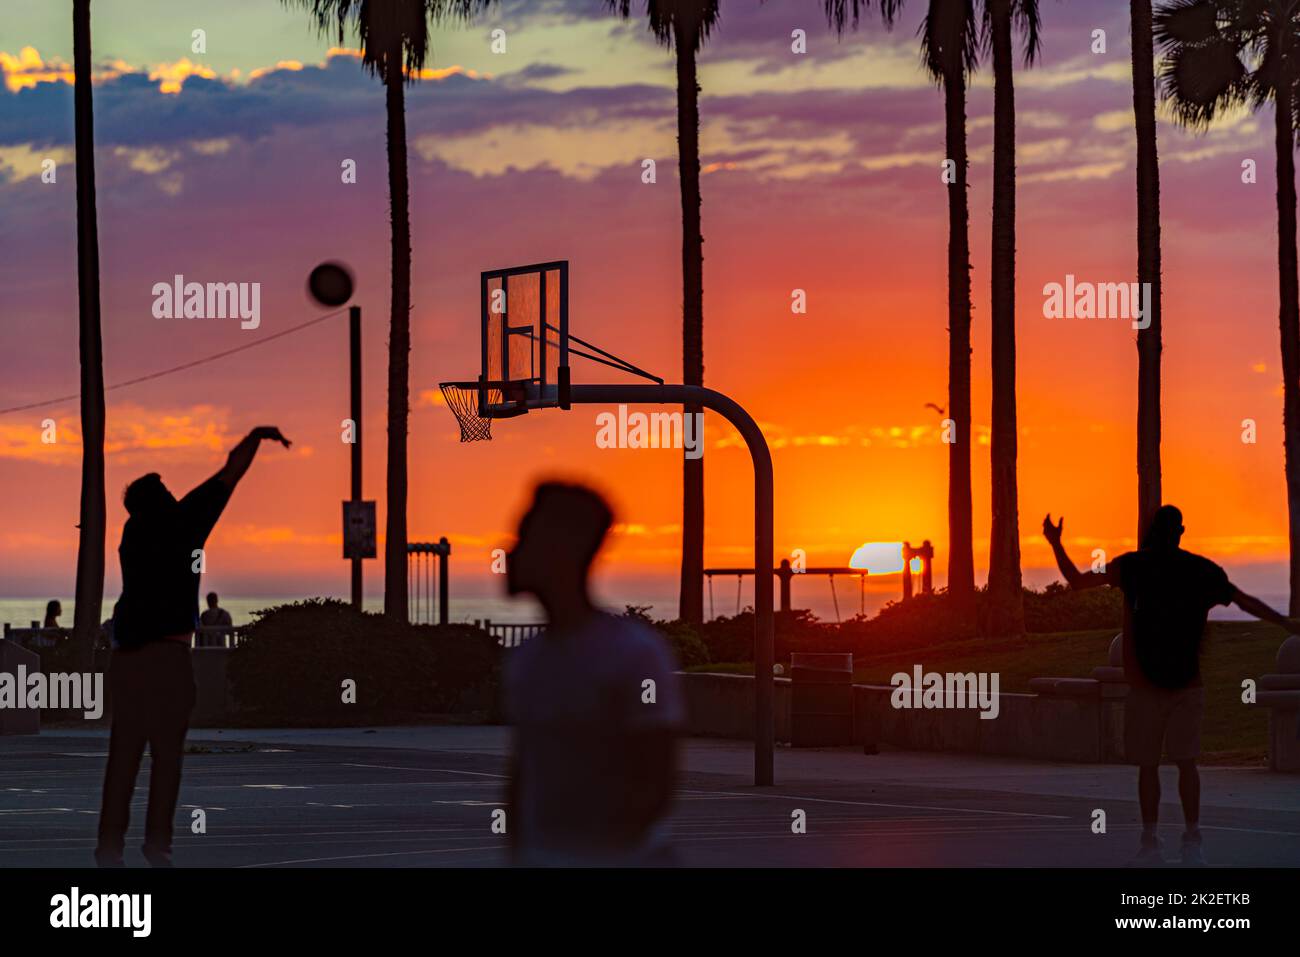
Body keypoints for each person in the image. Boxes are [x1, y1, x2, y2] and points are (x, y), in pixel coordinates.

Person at [1042, 504, 1298, 866]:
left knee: (1161, 765)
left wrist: (1055, 543)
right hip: (1171, 686)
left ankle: (1158, 841)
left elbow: (1078, 580)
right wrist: (1283, 623)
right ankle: (1181, 840)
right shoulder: (1192, 570)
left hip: (1169, 687)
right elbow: (1245, 601)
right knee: (1181, 763)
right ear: (1179, 532)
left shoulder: (1138, 566)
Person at [95, 426, 290, 867]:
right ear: (163, 498)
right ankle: (157, 844)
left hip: (127, 660)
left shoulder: (131, 535)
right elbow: (230, 474)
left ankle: (110, 844)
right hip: (167, 658)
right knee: (167, 759)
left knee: (123, 756)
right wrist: (257, 435)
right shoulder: (185, 523)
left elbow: (222, 477)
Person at [503, 482, 685, 866]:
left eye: (524, 538)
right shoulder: (527, 661)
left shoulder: (633, 654)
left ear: (562, 553)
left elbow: (656, 783)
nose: (510, 551)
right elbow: (522, 775)